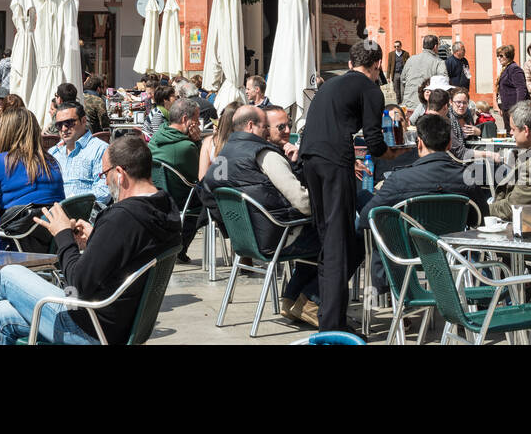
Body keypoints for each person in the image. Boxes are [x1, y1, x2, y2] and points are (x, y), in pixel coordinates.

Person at [0, 135, 181, 345]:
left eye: (105, 174)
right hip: (120, 324)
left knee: (8, 273)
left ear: (120, 174)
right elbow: (132, 251)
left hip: (90, 326)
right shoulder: (164, 206)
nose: (104, 180)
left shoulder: (123, 218)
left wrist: (63, 234)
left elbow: (78, 283)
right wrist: (97, 239)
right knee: (1, 314)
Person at [200, 105, 322, 326]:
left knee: (320, 233)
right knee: (345, 236)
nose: (268, 132)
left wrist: (232, 227)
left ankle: (292, 299)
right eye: (266, 126)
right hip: (277, 236)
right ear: (250, 126)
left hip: (249, 240)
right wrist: (328, 210)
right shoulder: (264, 154)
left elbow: (207, 190)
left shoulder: (224, 153)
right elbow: (303, 203)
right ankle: (312, 301)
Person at [299, 39, 390, 333]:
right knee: (339, 242)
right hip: (334, 160)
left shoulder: (329, 86)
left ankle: (328, 316)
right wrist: (398, 152)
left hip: (310, 158)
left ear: (351, 63)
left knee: (329, 238)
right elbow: (376, 144)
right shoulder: (370, 88)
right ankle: (333, 325)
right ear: (377, 65)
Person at [356, 112, 488, 292]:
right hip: (452, 257)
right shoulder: (467, 178)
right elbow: (481, 220)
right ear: (449, 143)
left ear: (419, 143)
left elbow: (366, 219)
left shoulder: (399, 179)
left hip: (404, 258)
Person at [0, 108, 65, 212]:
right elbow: (35, 197)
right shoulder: (51, 161)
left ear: (5, 132)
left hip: (18, 226)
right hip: (51, 224)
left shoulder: (3, 162)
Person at [149, 97, 203, 261]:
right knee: (207, 201)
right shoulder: (186, 147)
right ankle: (180, 247)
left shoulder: (156, 138)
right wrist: (198, 142)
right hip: (180, 200)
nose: (199, 124)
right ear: (186, 120)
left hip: (156, 196)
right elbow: (202, 175)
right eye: (196, 119)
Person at [48, 101, 111, 203]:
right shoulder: (53, 153)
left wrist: (71, 204)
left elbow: (104, 191)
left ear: (83, 121)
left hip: (85, 213)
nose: (63, 129)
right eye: (59, 125)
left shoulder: (100, 149)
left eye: (69, 123)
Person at [197, 99, 240, 182]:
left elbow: (202, 177)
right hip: (239, 192)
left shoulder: (209, 142)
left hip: (214, 191)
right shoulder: (246, 144)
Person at [399, 35, 444, 111]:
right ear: (435, 46)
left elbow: (403, 79)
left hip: (409, 104)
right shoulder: (439, 62)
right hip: (427, 107)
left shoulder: (411, 59)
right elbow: (443, 84)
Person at [495, 44, 529, 134]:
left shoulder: (514, 69)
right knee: (509, 132)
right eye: (498, 56)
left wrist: (517, 108)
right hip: (506, 107)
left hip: (513, 108)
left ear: (508, 56)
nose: (499, 58)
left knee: (515, 132)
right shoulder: (506, 68)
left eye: (501, 56)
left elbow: (521, 89)